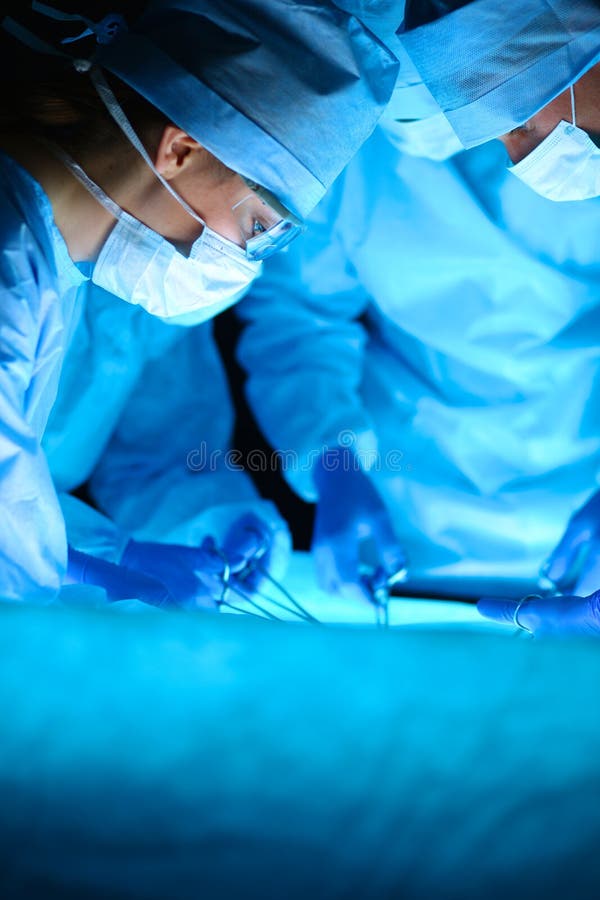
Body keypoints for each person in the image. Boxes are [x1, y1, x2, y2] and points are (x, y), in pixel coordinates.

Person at [0, 0, 398, 605]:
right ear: (181, 149)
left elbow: (147, 457)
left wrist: (155, 544)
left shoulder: (66, 261)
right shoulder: (12, 256)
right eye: (258, 225)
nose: (245, 260)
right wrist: (102, 561)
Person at [235, 0, 600, 634]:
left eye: (513, 120)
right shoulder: (353, 142)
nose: (510, 148)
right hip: (409, 528)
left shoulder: (572, 122)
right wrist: (334, 464)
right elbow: (299, 318)